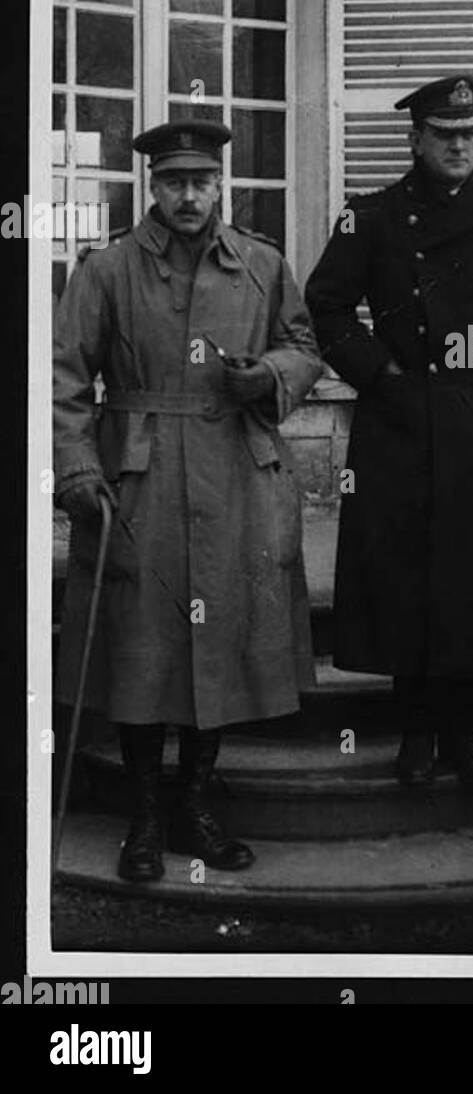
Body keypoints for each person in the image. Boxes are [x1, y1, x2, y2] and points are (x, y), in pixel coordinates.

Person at [54, 120, 323, 883]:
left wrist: (267, 375)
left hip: (238, 471)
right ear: (153, 187)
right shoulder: (107, 269)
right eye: (173, 182)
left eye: (201, 182)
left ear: (220, 186)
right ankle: (144, 816)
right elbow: (63, 375)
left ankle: (195, 807)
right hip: (139, 475)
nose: (188, 196)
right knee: (144, 649)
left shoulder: (263, 264)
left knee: (223, 645)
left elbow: (305, 345)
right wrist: (75, 470)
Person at [305, 75, 473, 786]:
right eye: (444, 135)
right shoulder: (374, 216)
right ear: (415, 140)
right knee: (406, 577)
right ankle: (416, 732)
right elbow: (325, 306)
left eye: (470, 134)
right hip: (398, 420)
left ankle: (466, 731)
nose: (459, 146)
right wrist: (381, 375)